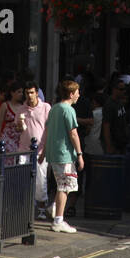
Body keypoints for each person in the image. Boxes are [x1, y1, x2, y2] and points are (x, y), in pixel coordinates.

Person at [38, 78, 84, 234]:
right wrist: (79, 154)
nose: (79, 95)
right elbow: (73, 133)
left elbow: (48, 132)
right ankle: (58, 220)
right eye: (77, 92)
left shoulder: (54, 108)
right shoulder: (68, 110)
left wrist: (44, 153)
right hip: (64, 154)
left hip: (54, 153)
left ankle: (54, 208)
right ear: (71, 94)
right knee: (64, 186)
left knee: (64, 185)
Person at [17, 81, 51, 219]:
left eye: (32, 92)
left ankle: (42, 209)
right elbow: (18, 129)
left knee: (41, 179)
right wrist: (20, 124)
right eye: (27, 93)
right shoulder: (21, 109)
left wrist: (46, 150)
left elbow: (49, 129)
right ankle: (26, 207)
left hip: (40, 149)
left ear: (37, 93)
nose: (29, 95)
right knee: (23, 179)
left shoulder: (45, 107)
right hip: (23, 149)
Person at [0, 81, 26, 154]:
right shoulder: (5, 106)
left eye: (22, 92)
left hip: (20, 140)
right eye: (18, 92)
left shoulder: (23, 107)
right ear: (12, 93)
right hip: (7, 140)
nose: (21, 94)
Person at [102, 78, 129, 154]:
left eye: (124, 89)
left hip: (121, 141)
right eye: (121, 89)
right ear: (114, 90)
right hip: (114, 142)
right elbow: (106, 126)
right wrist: (109, 145)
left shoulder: (120, 102)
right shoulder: (109, 105)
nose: (124, 91)